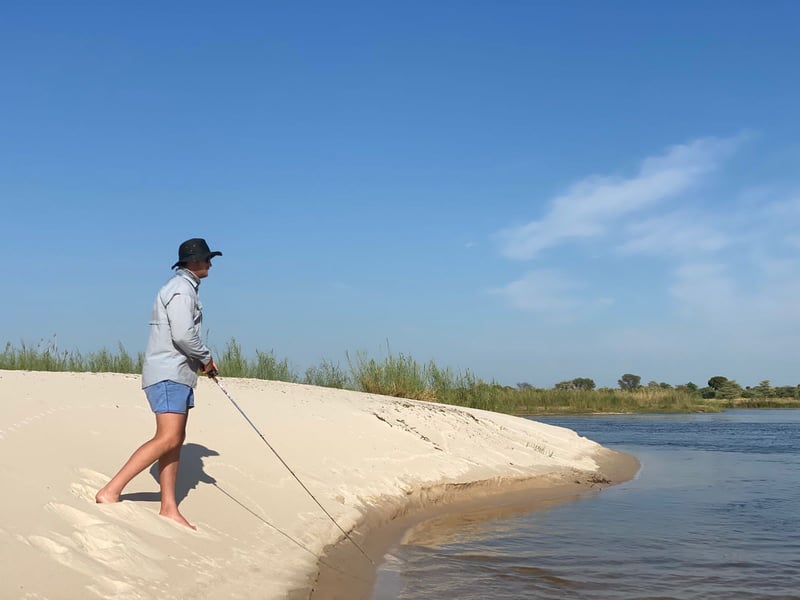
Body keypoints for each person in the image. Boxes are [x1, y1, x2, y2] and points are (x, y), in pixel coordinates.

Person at [96, 238, 222, 529]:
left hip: (177, 374)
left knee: (174, 442)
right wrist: (206, 358)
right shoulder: (180, 289)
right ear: (192, 262)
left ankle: (168, 507)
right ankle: (111, 490)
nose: (210, 264)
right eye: (206, 259)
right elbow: (182, 334)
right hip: (168, 373)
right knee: (167, 438)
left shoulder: (184, 287)